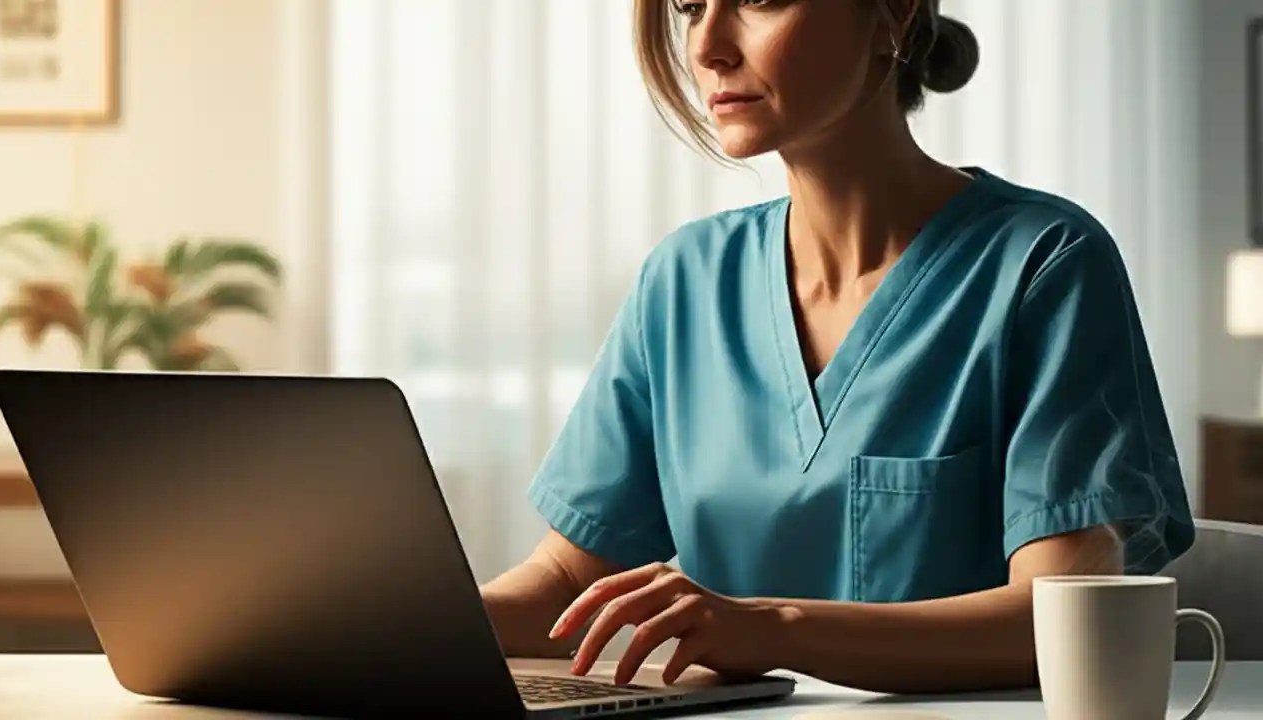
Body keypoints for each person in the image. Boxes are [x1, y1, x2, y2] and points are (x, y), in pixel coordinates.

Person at [480, 0, 1195, 695]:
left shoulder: (1044, 264)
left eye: (760, 0)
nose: (707, 47)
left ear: (892, 15)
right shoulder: (684, 280)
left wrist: (776, 630)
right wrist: (388, 626)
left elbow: (1063, 619)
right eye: (691, 7)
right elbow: (570, 583)